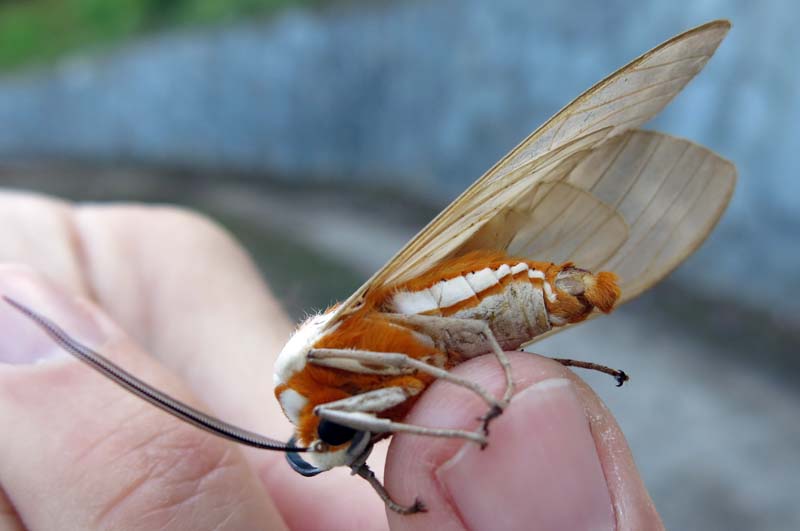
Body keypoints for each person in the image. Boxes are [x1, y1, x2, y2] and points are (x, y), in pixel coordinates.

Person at [0, 191, 663, 530]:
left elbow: (430, 366)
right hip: (484, 312)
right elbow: (427, 376)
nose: (355, 443)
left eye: (343, 441)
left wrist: (475, 417)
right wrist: (380, 487)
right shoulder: (347, 397)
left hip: (493, 295)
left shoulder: (321, 373)